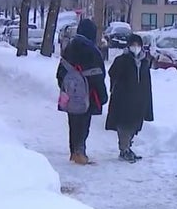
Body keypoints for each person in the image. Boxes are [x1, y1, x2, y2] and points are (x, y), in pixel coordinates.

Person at [56, 19, 108, 165]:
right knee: (84, 122)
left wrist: (66, 87)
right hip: (88, 94)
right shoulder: (92, 50)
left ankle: (74, 151)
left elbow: (60, 72)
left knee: (73, 122)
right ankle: (80, 151)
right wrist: (102, 94)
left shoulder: (69, 47)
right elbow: (98, 74)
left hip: (71, 93)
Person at [106, 34, 154, 163]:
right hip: (123, 98)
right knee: (124, 125)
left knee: (135, 125)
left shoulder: (144, 61)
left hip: (139, 99)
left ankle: (128, 146)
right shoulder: (122, 60)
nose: (136, 47)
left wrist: (147, 100)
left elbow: (146, 81)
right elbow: (112, 74)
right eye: (133, 45)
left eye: (138, 45)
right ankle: (124, 149)